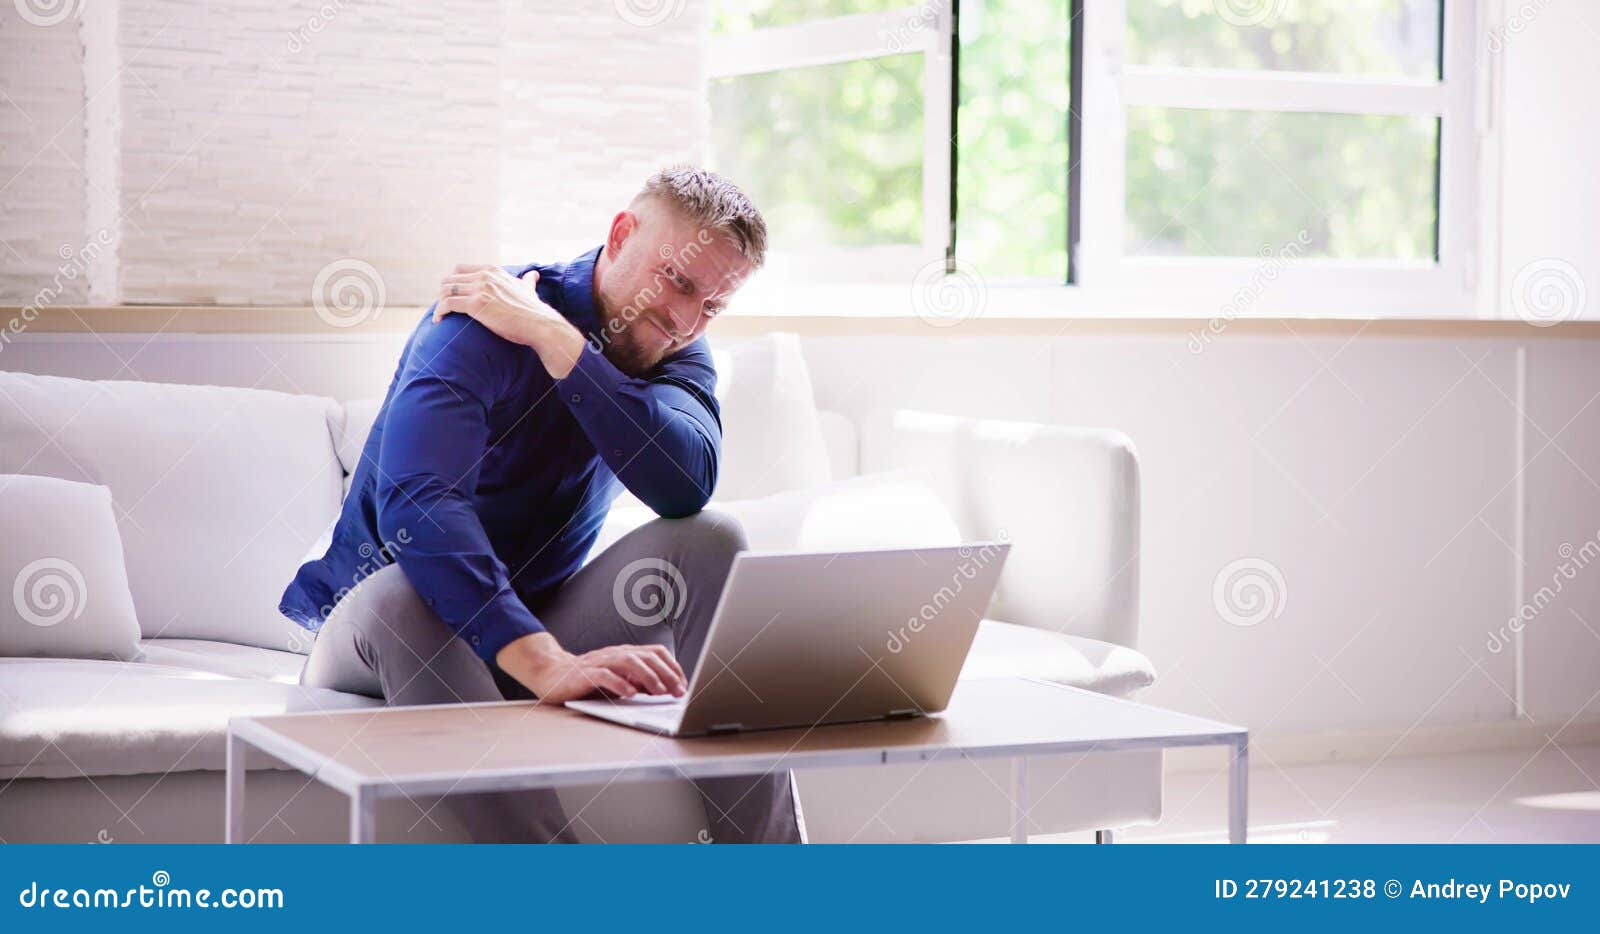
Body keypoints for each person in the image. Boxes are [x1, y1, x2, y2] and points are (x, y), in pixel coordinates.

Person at [279, 165, 799, 843]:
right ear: (620, 236)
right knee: (402, 595)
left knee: (713, 537)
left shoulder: (674, 348)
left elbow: (684, 485)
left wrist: (560, 343)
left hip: (540, 624)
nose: (685, 319)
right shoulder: (477, 323)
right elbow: (420, 508)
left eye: (713, 305)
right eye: (677, 281)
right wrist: (544, 662)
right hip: (380, 636)